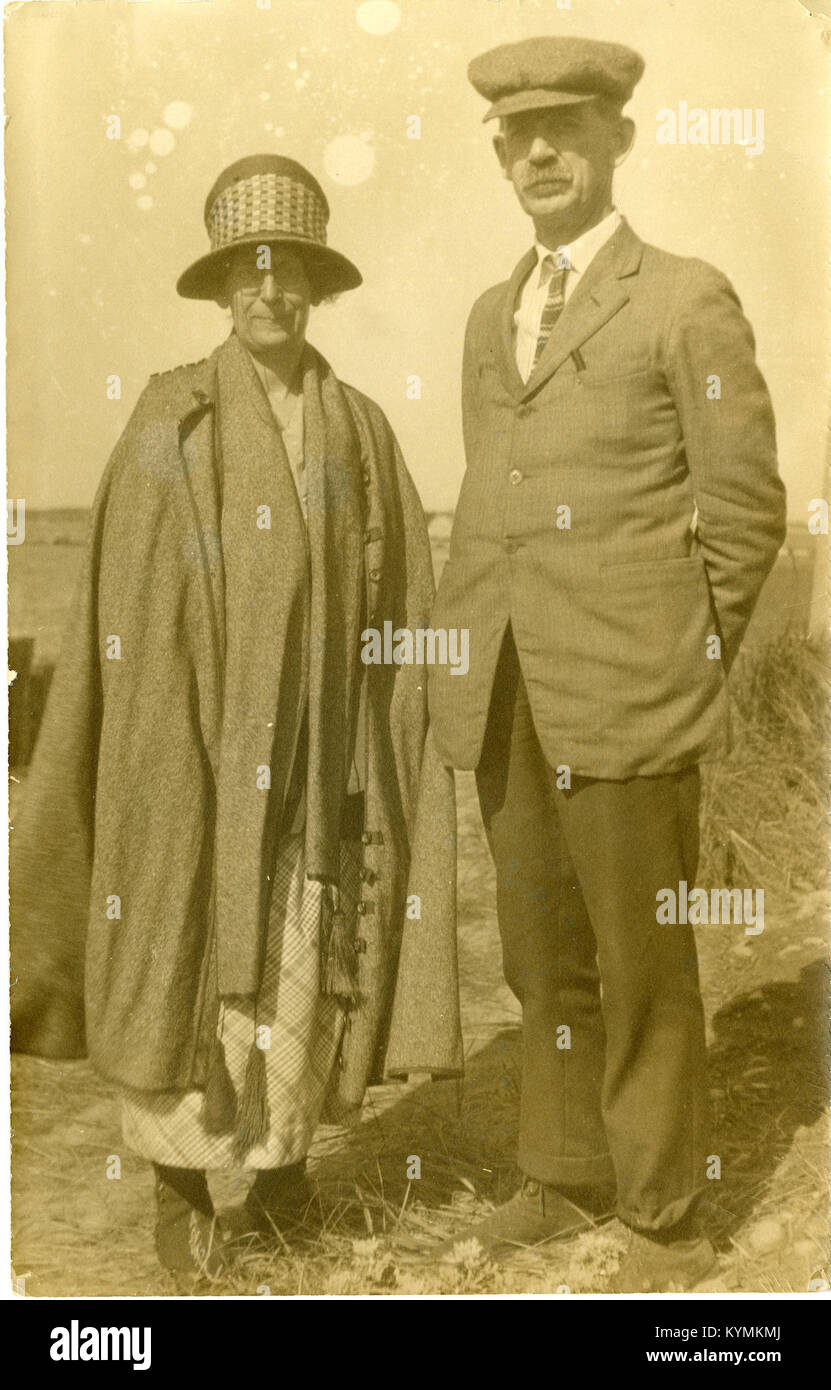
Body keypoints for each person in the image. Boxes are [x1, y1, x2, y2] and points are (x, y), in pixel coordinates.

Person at [11, 154, 461, 1277]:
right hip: (197, 762)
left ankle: (279, 1185)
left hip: (317, 767)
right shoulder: (174, 421)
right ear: (222, 288)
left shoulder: (356, 430)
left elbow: (403, 593)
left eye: (291, 272)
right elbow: (131, 599)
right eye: (250, 274)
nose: (271, 293)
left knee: (305, 970)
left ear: (315, 285)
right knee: (183, 963)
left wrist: (389, 719)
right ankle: (177, 1197)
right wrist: (176, 744)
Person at [427, 38, 786, 1290]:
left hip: (633, 689)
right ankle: (566, 1164)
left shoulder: (686, 297)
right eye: (517, 136)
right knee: (540, 951)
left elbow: (744, 516)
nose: (539, 152)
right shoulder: (490, 313)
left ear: (616, 141)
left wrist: (688, 664)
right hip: (511, 686)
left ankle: (663, 1212)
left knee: (643, 952)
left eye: (566, 130)